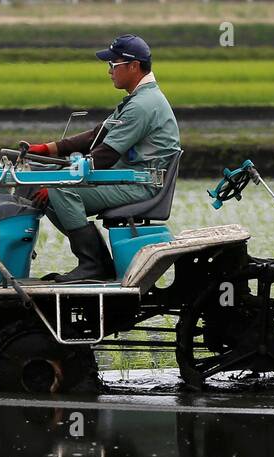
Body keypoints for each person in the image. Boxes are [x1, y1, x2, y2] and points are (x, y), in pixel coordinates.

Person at [22, 34, 180, 282]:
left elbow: (104, 155)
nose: (109, 72)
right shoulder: (139, 99)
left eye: (113, 65)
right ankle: (98, 264)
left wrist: (59, 180)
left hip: (141, 185)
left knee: (62, 191)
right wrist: (45, 149)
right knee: (52, 192)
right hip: (127, 179)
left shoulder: (143, 105)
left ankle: (94, 265)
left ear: (133, 66)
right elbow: (97, 136)